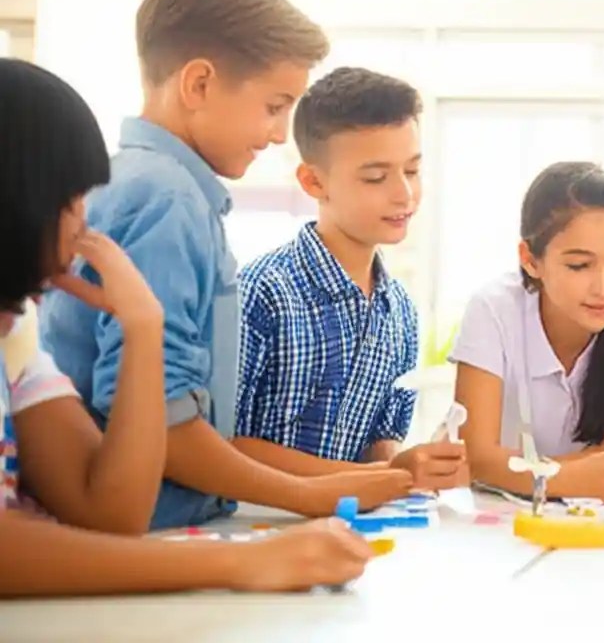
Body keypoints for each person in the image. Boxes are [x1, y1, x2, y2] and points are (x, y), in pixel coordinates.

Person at [38, 0, 410, 531]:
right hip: (140, 523)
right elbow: (160, 419)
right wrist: (314, 494)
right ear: (200, 84)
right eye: (274, 106)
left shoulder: (148, 183)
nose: (280, 133)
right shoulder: (166, 199)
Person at [0, 58, 374, 597]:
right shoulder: (165, 192)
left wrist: (144, 326)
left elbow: (112, 513)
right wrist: (239, 563)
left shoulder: (15, 340)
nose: (83, 220)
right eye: (68, 200)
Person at [234, 67, 466, 490]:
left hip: (352, 529)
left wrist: (415, 466)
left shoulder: (400, 312)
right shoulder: (262, 292)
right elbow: (226, 445)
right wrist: (384, 475)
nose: (404, 194)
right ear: (313, 181)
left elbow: (383, 445)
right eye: (376, 177)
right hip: (252, 528)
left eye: (412, 171)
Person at [451, 162, 604, 502]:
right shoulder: (493, 311)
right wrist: (569, 475)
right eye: (579, 265)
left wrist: (533, 472)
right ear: (530, 260)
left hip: (590, 522)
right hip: (492, 516)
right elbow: (475, 458)